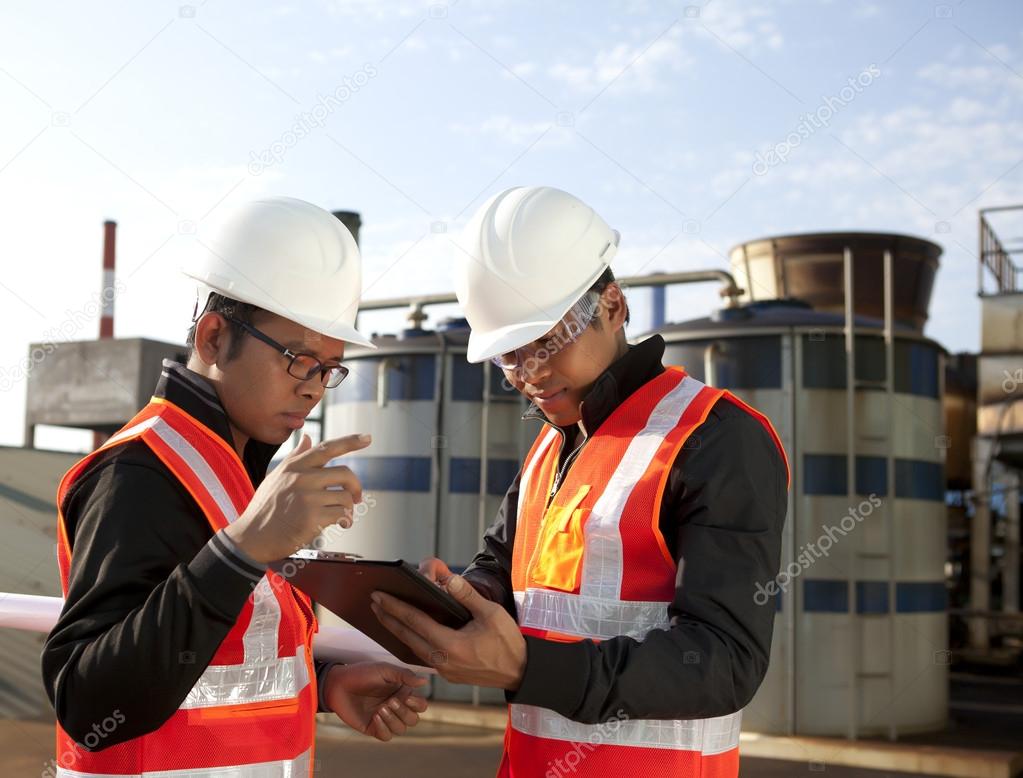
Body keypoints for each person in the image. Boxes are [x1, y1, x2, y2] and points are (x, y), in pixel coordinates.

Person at [370, 185, 790, 777]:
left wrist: (525, 667)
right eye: (510, 355)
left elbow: (724, 661)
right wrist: (461, 600)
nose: (530, 374)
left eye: (547, 341)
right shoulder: (552, 444)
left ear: (613, 306)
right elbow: (504, 569)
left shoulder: (715, 438)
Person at [42, 196, 427, 777]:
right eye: (299, 358)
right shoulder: (136, 475)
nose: (314, 387)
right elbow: (89, 701)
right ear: (214, 337)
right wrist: (240, 551)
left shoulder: (241, 475)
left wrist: (324, 683)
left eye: (329, 368)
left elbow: (227, 657)